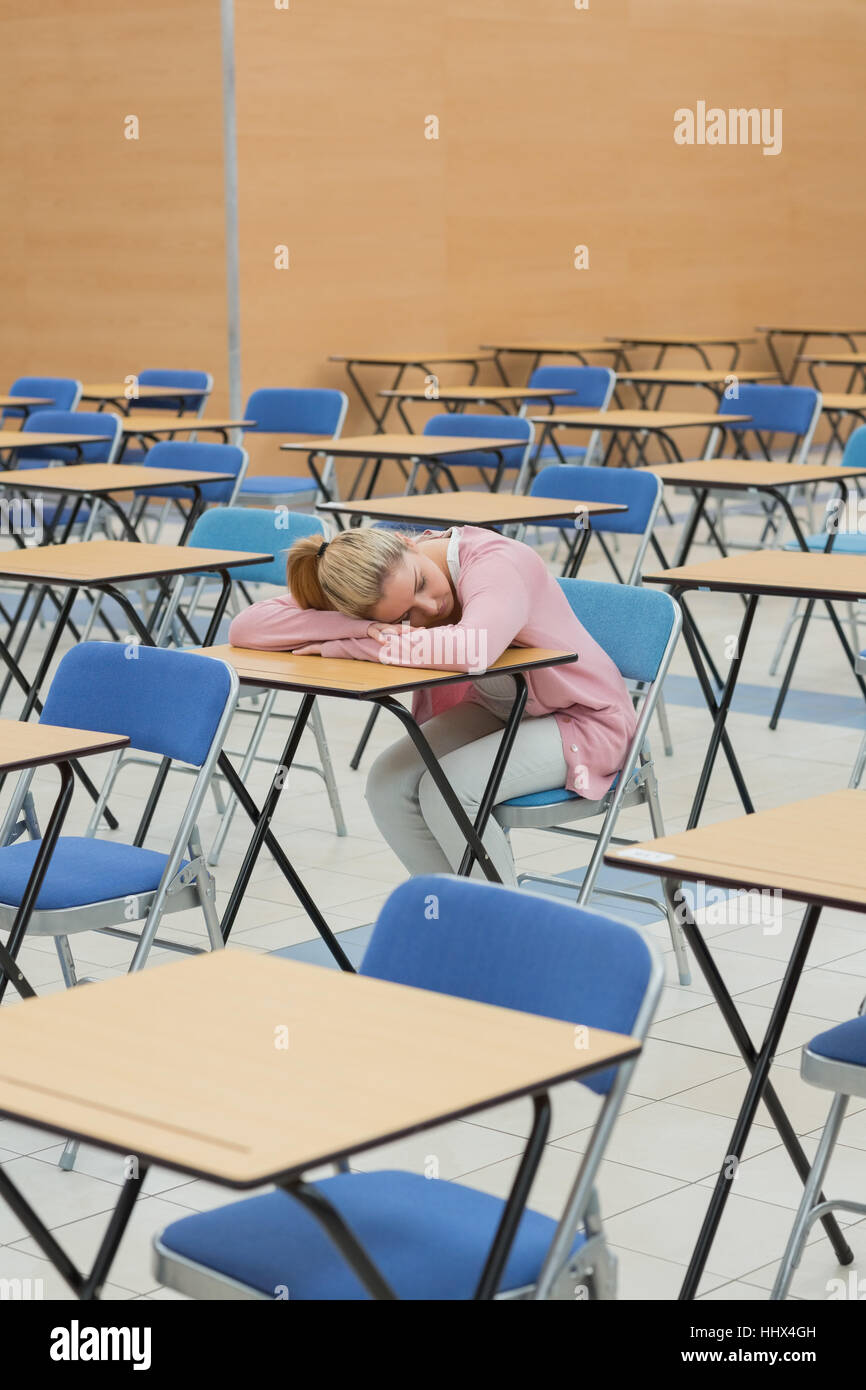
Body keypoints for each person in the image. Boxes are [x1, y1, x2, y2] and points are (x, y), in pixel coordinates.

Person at [228, 525, 637, 886]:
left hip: (584, 720)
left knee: (450, 790)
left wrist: (353, 645)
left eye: (422, 582)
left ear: (408, 543)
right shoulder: (374, 582)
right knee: (387, 784)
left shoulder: (496, 562)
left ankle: (509, 930)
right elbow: (248, 627)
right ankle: (462, 917)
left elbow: (471, 649)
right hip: (500, 713)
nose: (430, 607)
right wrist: (366, 628)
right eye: (406, 615)